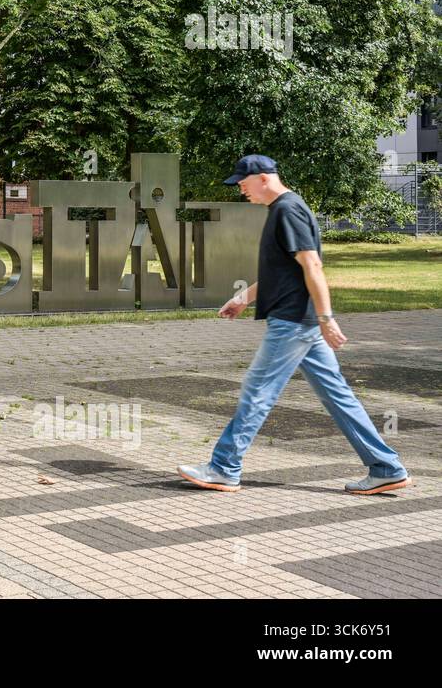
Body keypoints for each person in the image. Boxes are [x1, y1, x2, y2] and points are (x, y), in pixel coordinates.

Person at [177, 154, 412, 495]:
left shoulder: (287, 210)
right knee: (338, 396)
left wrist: (326, 317)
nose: (241, 190)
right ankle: (386, 467)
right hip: (302, 324)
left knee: (257, 393)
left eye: (243, 183)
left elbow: (312, 265)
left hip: (292, 323)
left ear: (263, 177)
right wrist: (243, 298)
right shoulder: (283, 209)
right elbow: (283, 271)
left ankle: (224, 467)